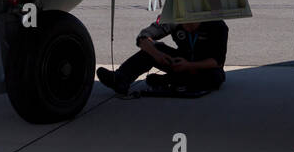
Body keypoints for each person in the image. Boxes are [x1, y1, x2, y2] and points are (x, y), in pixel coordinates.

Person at [97, 18, 229, 97]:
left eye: (192, 25)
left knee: (215, 78)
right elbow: (143, 38)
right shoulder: (174, 18)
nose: (188, 27)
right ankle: (120, 79)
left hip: (204, 66)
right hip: (179, 62)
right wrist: (157, 54)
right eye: (185, 25)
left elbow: (217, 61)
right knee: (154, 48)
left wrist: (189, 65)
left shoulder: (217, 25)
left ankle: (169, 80)